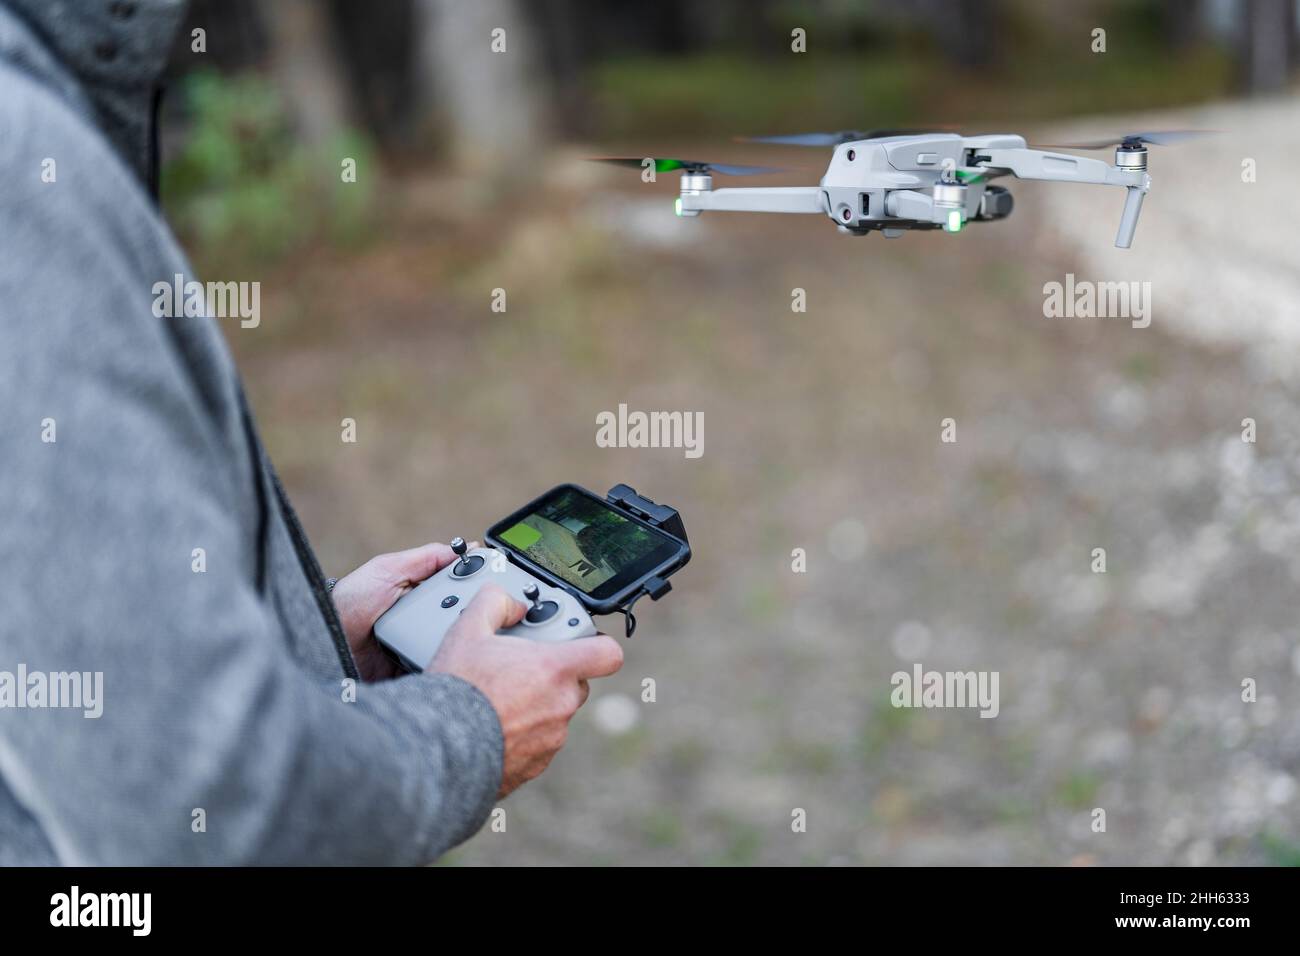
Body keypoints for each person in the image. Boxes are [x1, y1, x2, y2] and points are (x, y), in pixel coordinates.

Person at [0, 0, 623, 864]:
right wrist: (471, 730)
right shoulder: (23, 164)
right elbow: (206, 802)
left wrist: (305, 650)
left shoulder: (49, 109)